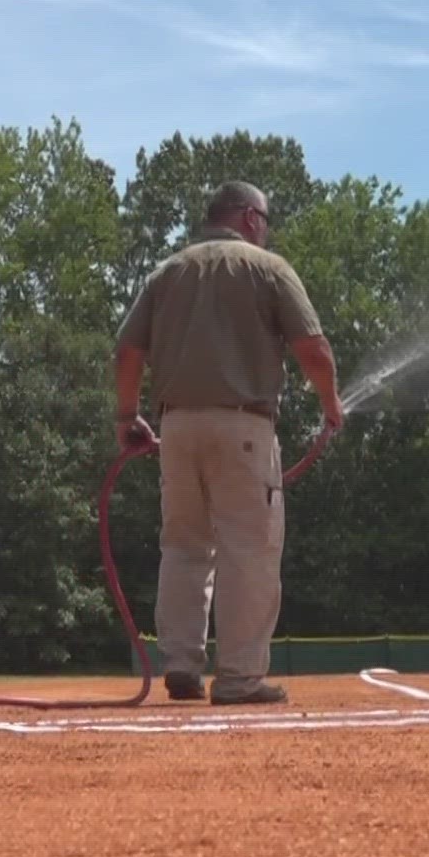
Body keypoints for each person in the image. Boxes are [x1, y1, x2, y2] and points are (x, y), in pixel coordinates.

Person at [112, 180, 343, 705]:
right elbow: (313, 348)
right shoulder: (268, 268)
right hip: (242, 428)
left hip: (176, 429)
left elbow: (126, 352)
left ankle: (181, 665)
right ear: (250, 218)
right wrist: (331, 406)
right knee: (249, 549)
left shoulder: (167, 272)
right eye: (266, 220)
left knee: (183, 545)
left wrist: (127, 416)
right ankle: (239, 677)